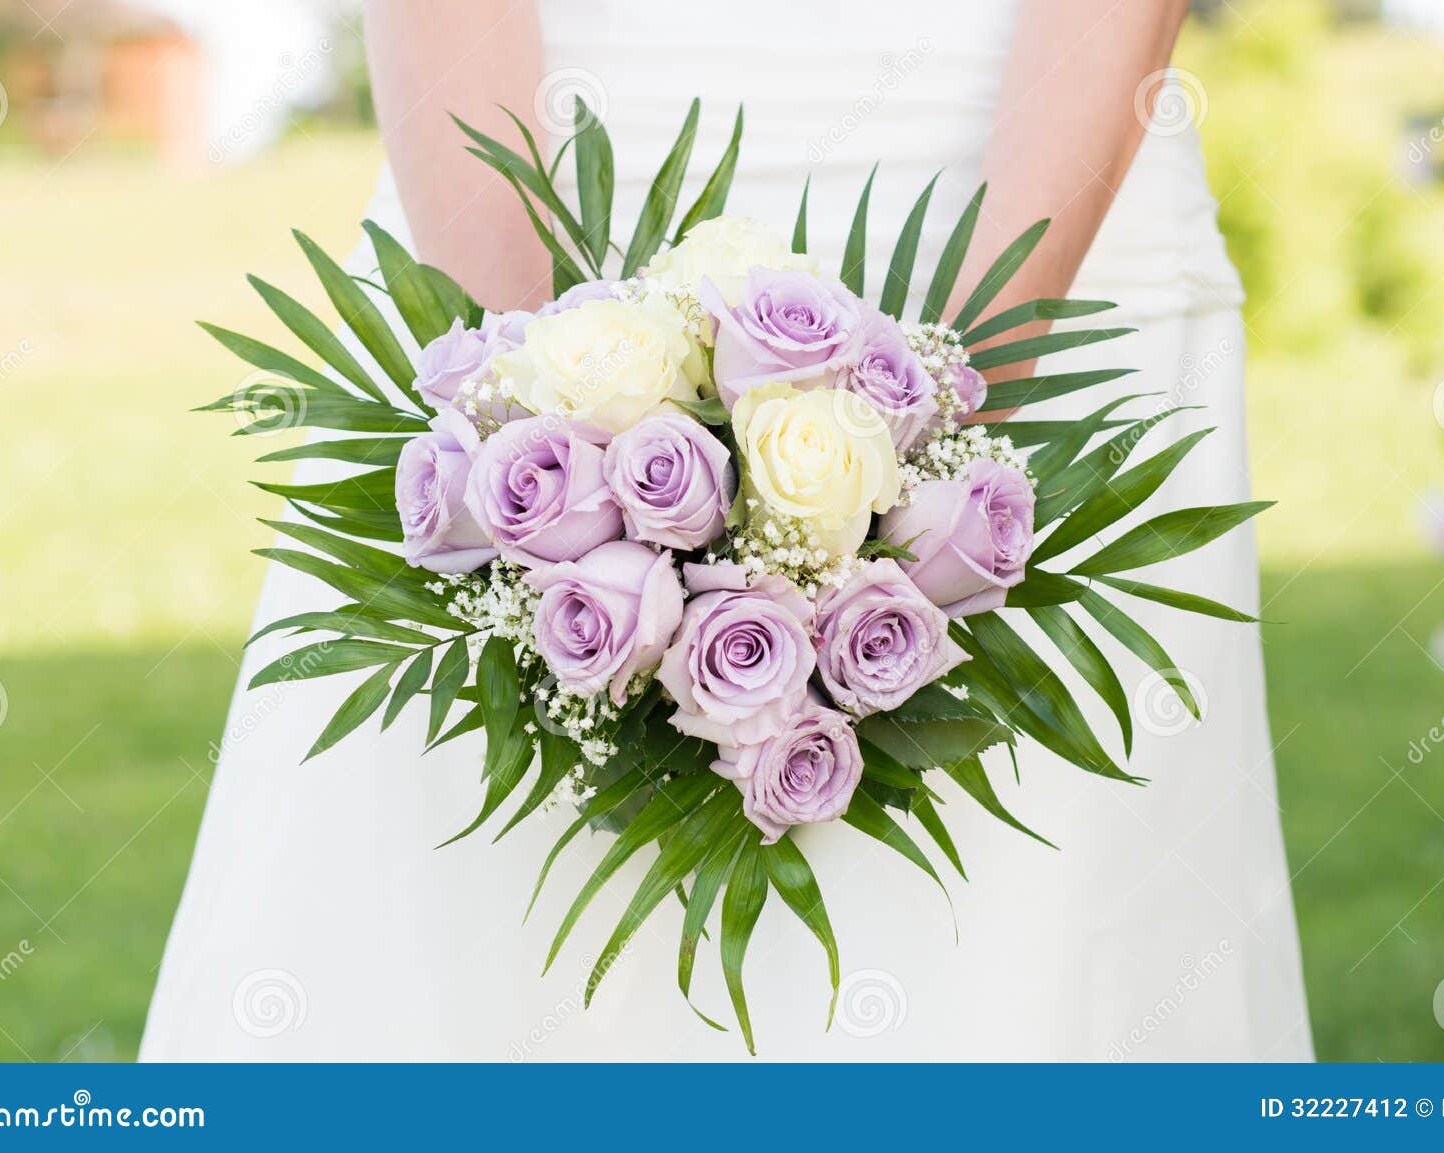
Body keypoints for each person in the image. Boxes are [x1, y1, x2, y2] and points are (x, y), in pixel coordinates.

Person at [142, 0, 1311, 1060]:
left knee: (1041, 977)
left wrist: (944, 426)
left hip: (1049, 205)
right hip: (534, 183)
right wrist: (541, 436)